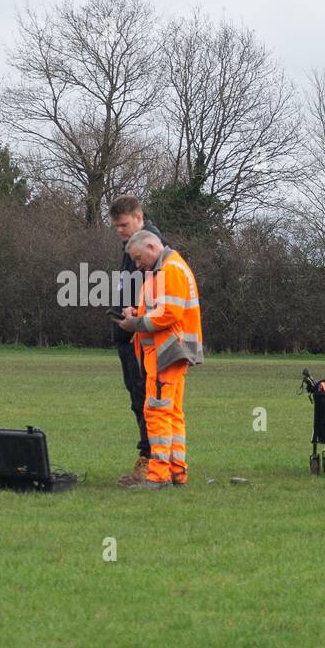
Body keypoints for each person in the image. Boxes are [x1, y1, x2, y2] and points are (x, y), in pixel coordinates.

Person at [116, 230, 203, 489]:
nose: (137, 265)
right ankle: (177, 472)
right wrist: (137, 312)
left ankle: (158, 476)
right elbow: (161, 309)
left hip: (166, 352)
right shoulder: (163, 270)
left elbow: (170, 314)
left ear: (152, 247)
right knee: (172, 413)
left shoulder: (169, 270)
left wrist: (136, 323)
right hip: (172, 352)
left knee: (156, 411)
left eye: (139, 258)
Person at [107, 196, 163, 486]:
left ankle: (151, 461)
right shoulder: (131, 249)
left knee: (145, 400)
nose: (120, 231)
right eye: (116, 227)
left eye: (124, 225)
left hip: (141, 339)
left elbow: (158, 297)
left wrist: (136, 319)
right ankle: (153, 458)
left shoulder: (151, 248)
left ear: (139, 217)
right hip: (129, 336)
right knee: (137, 400)